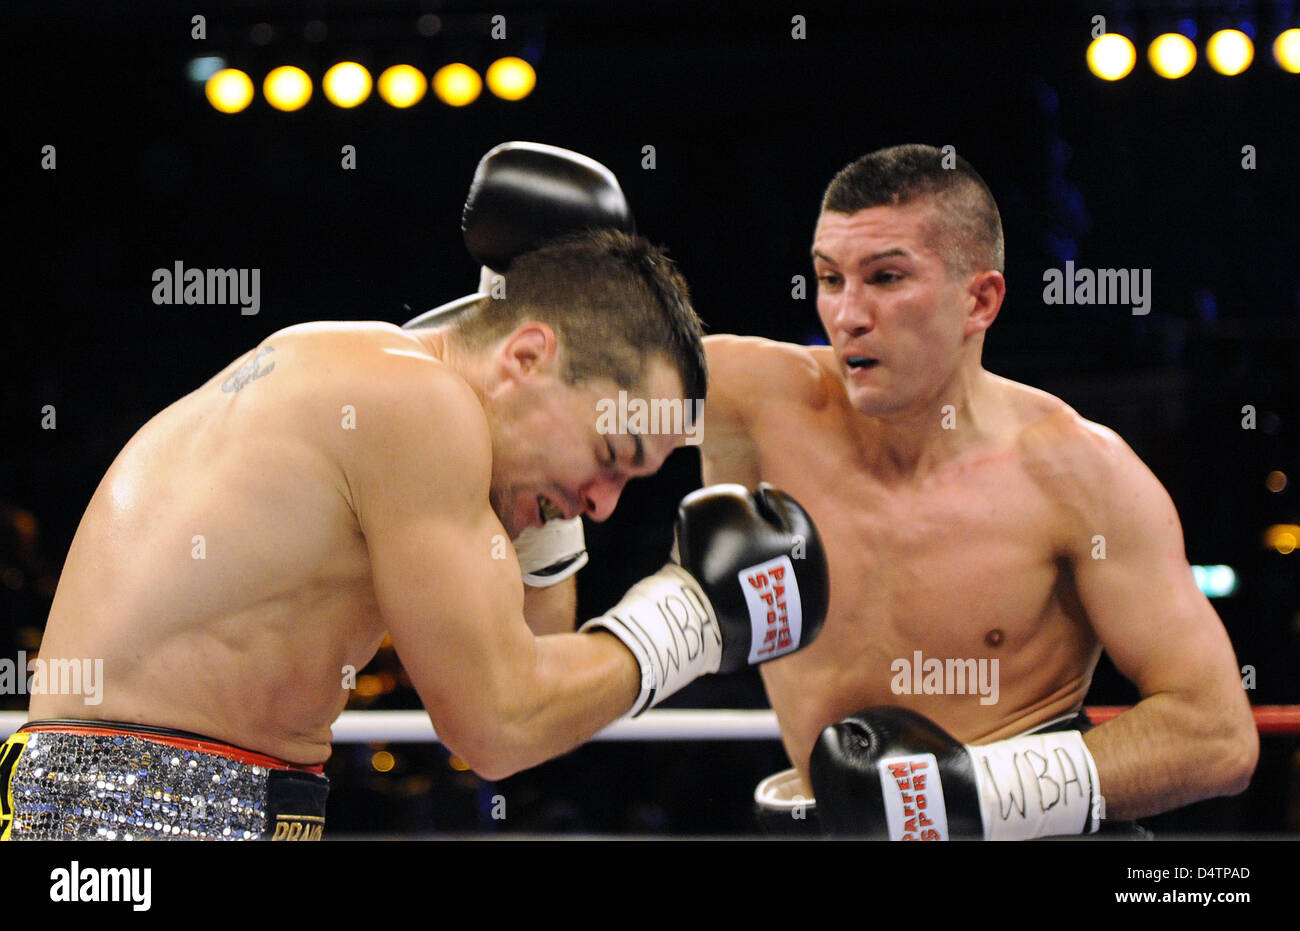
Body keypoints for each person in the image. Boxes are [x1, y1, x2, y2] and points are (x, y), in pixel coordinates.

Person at [0, 149, 829, 840]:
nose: (607, 502)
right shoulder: (416, 404)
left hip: (151, 800)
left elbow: (535, 662)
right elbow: (498, 725)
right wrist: (689, 618)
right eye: (611, 453)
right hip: (138, 808)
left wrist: (549, 505)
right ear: (528, 356)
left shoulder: (373, 384)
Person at [702, 144, 1258, 839]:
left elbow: (1217, 738)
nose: (847, 314)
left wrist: (970, 796)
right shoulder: (753, 398)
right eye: (829, 277)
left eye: (885, 277)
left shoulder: (1080, 475)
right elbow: (563, 373)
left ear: (980, 298)